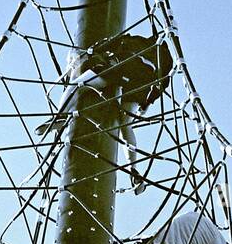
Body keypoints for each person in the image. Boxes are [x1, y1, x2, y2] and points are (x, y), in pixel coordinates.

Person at [36, 32, 172, 194]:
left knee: (79, 84)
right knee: (126, 125)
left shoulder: (136, 40)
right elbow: (162, 83)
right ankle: (134, 170)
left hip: (122, 67)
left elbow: (111, 43)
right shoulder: (164, 59)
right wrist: (147, 103)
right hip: (140, 85)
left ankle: (60, 116)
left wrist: (93, 51)